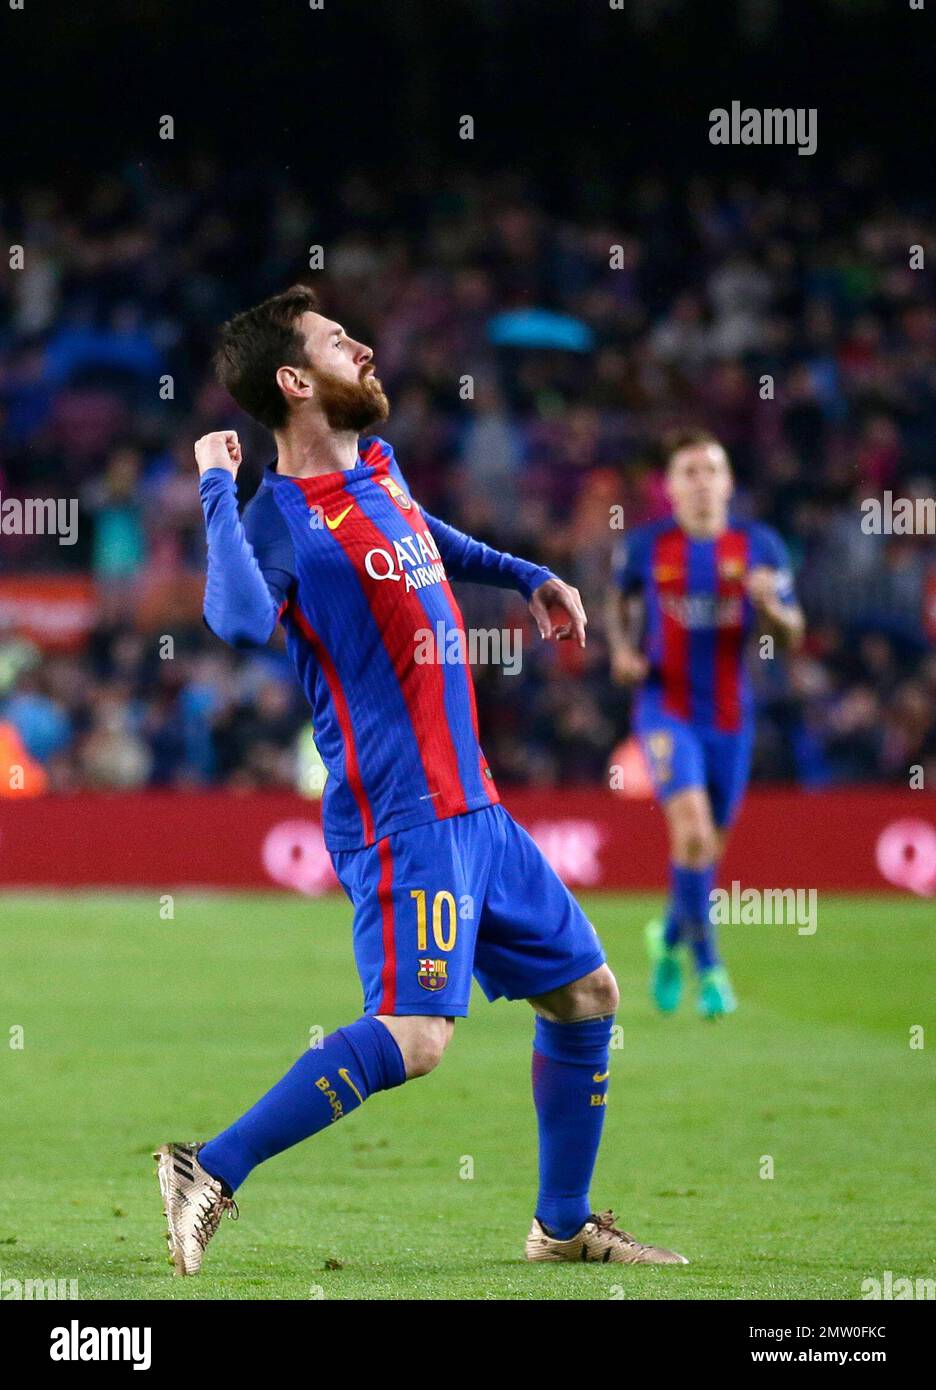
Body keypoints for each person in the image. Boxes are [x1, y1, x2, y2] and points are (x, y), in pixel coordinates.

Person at [154, 284, 687, 1274]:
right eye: (335, 339)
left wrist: (526, 574)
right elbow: (234, 622)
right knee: (417, 1033)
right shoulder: (280, 520)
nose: (362, 344)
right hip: (404, 816)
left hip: (473, 806)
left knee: (586, 993)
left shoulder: (381, 471)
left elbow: (428, 537)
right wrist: (217, 484)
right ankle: (208, 1167)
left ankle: (562, 1226)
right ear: (293, 379)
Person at [606, 430, 804, 1018]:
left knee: (707, 846)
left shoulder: (760, 546)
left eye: (710, 470)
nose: (700, 481)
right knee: (690, 833)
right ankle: (711, 968)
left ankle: (667, 941)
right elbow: (618, 604)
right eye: (687, 472)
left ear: (728, 482)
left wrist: (771, 609)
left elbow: (791, 636)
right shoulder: (647, 547)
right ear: (669, 487)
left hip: (730, 716)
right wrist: (621, 651)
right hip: (664, 707)